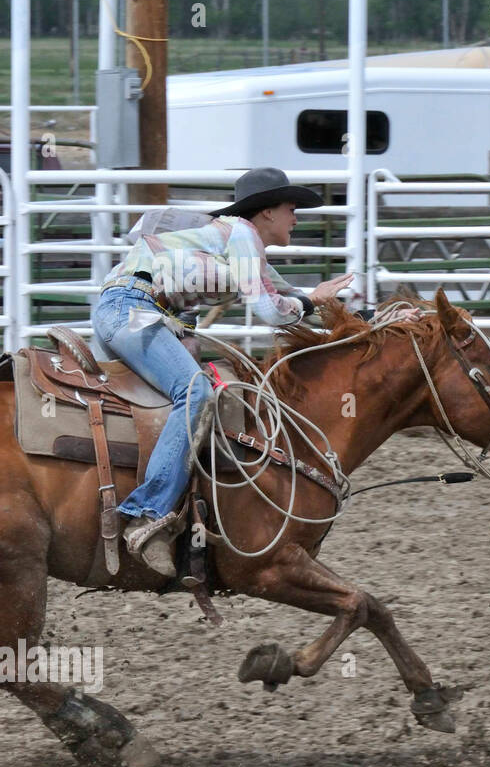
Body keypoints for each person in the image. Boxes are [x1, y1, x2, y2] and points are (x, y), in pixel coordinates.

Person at [91, 167, 355, 578]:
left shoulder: (234, 243)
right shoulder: (243, 238)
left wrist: (373, 319)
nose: (296, 218)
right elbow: (274, 310)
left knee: (178, 398)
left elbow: (288, 299)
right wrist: (310, 302)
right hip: (134, 314)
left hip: (128, 312)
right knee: (195, 394)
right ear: (266, 212)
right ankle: (148, 514)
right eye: (291, 208)